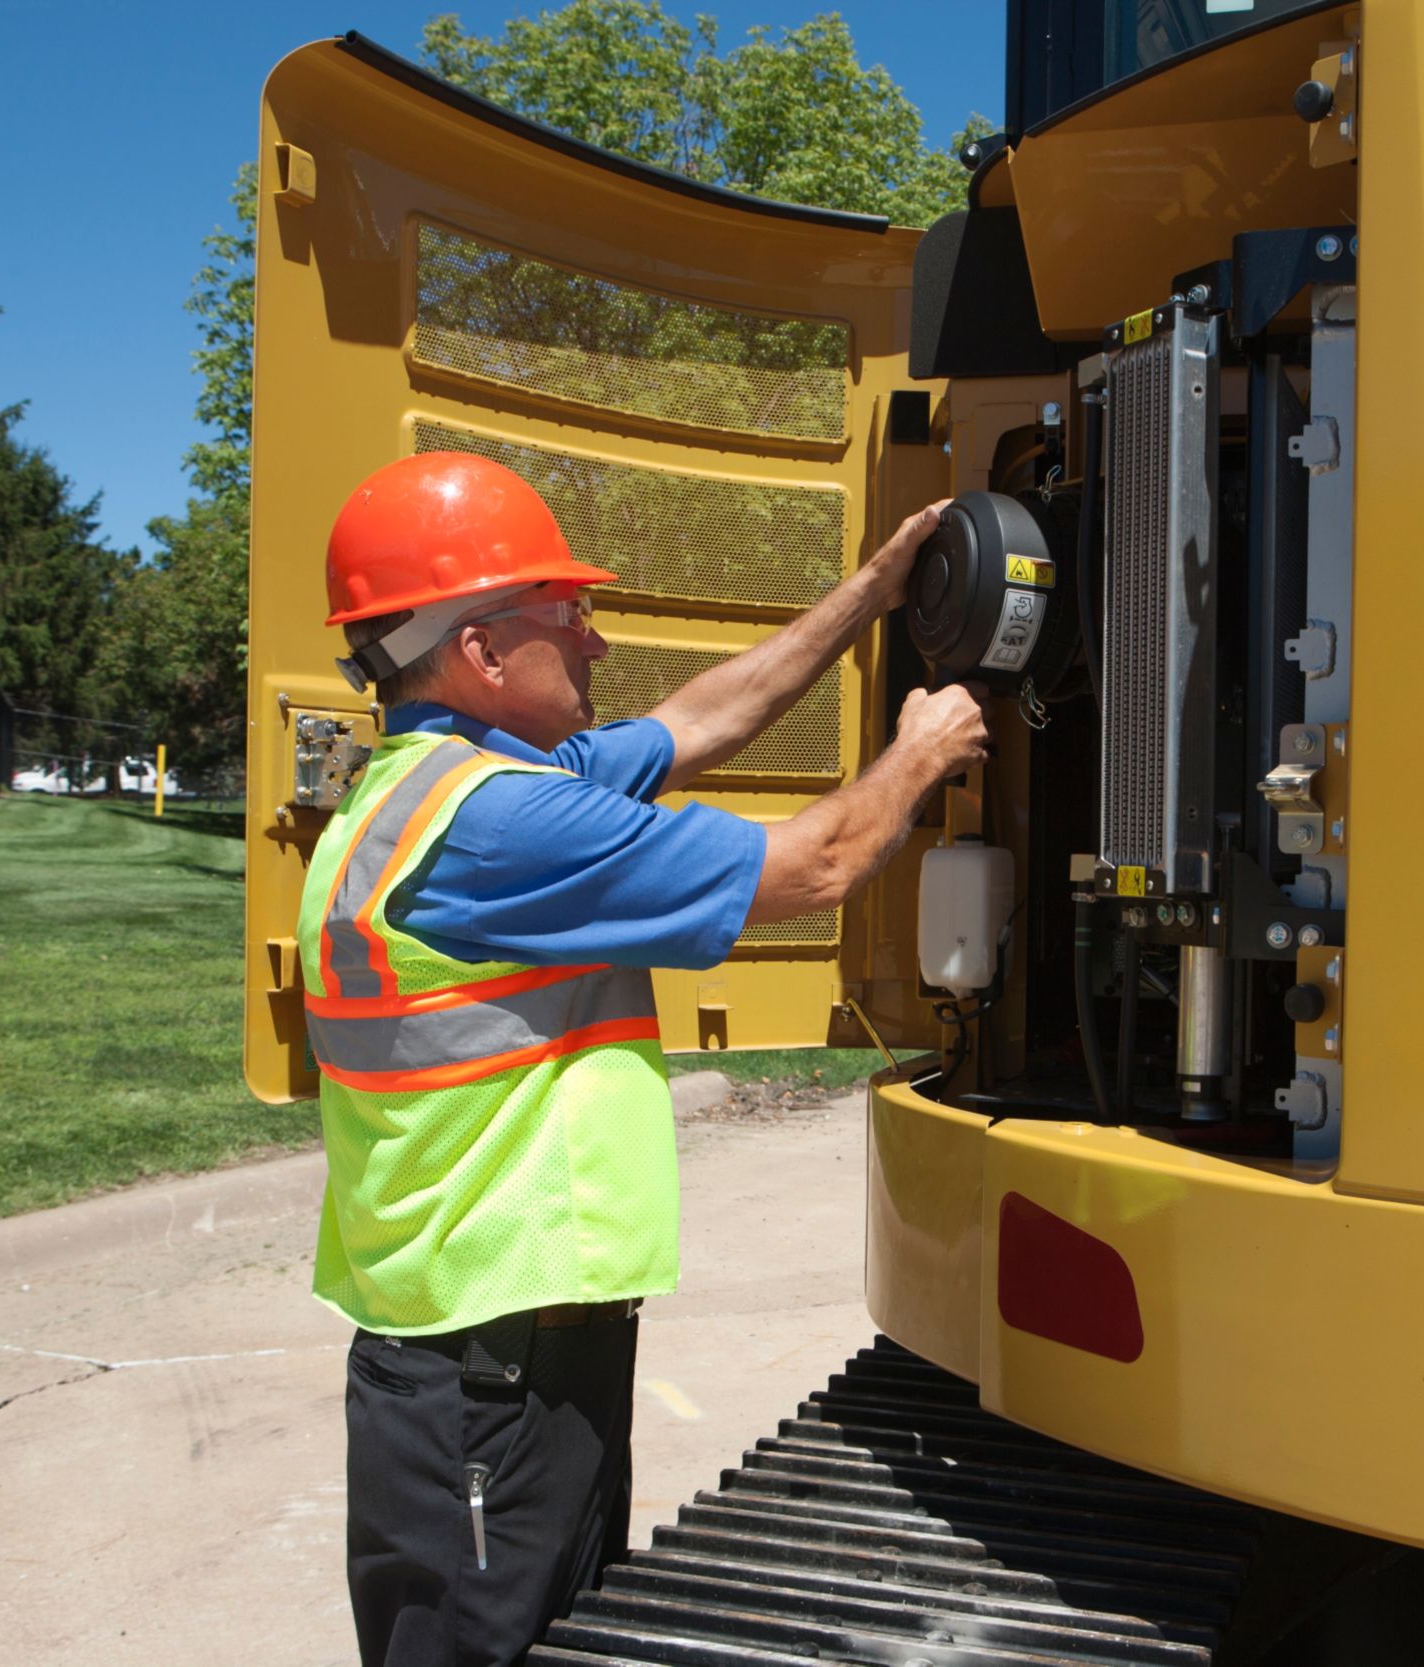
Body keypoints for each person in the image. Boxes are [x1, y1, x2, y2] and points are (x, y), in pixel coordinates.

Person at [296, 451, 988, 1666]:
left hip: (485, 1361)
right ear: (482, 653)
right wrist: (922, 749)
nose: (599, 643)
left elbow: (704, 716)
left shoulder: (434, 789)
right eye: (567, 616)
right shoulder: (502, 825)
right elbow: (813, 866)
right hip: (488, 1377)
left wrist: (871, 591)